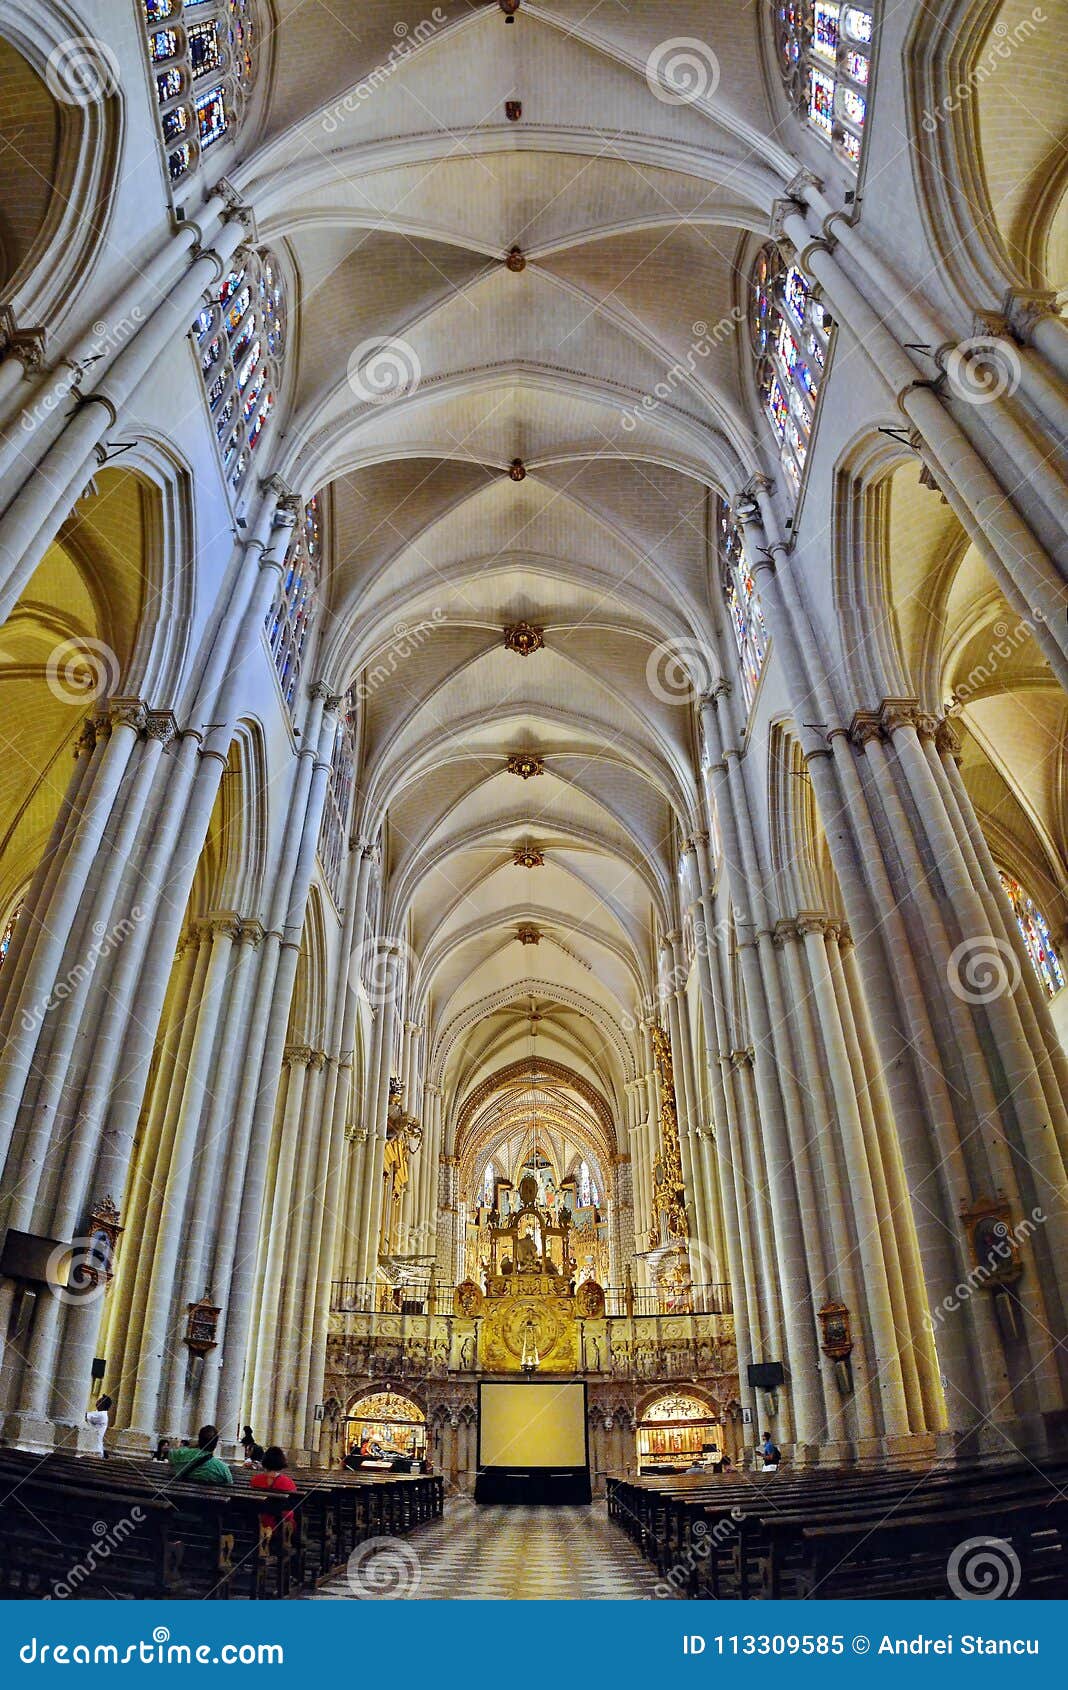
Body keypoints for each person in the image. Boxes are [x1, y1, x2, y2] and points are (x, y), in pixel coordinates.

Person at [250, 1446, 297, 1533]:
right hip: (279, 1521)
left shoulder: (255, 1480)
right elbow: (292, 1505)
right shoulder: (288, 1482)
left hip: (259, 1518)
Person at [168, 1424, 233, 1486]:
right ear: (216, 1444)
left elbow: (171, 1454)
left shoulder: (180, 1454)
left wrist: (192, 1446)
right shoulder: (222, 1468)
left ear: (199, 1440)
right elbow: (229, 1483)